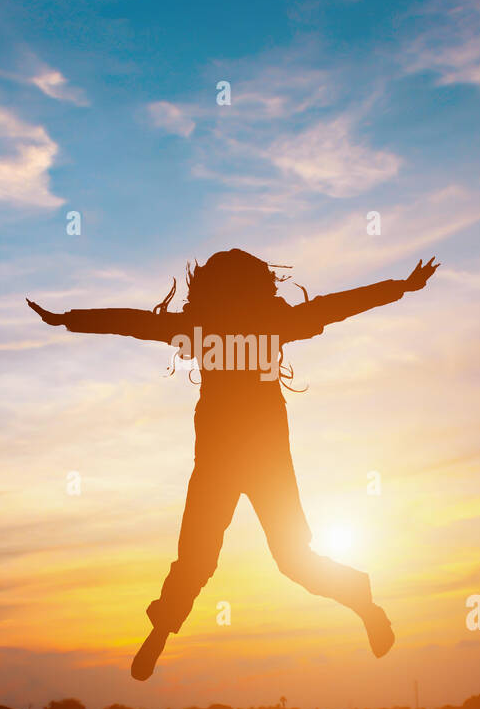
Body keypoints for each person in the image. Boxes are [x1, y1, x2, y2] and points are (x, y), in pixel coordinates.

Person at [28, 249, 438, 679]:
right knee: (199, 558)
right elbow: (133, 323)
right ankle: (161, 631)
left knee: (289, 558)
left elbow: (337, 306)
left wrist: (400, 288)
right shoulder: (205, 328)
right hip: (220, 464)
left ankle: (361, 601)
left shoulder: (252, 325)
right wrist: (67, 319)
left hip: (264, 463)